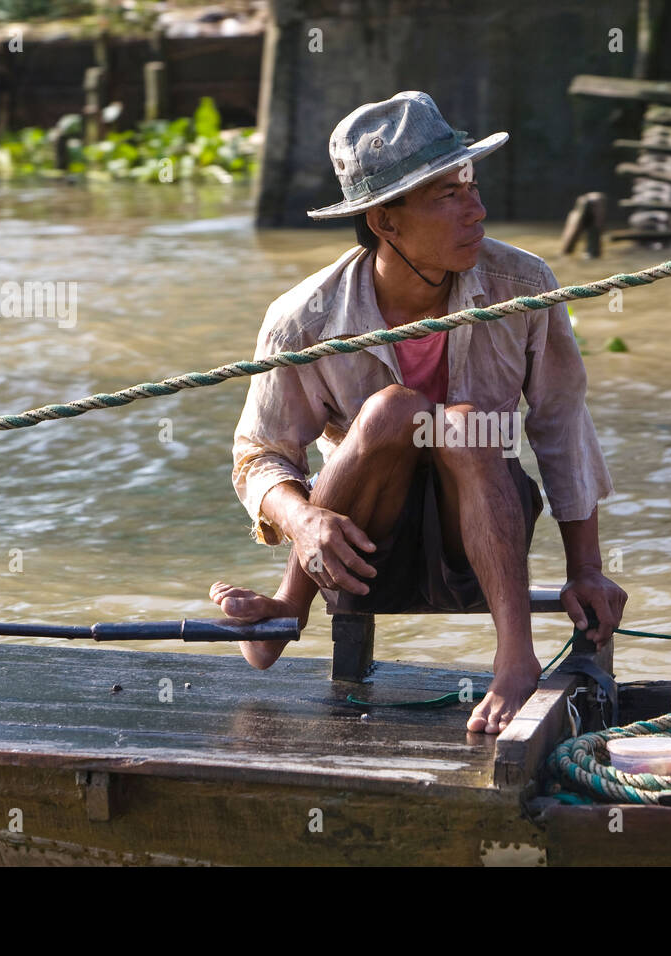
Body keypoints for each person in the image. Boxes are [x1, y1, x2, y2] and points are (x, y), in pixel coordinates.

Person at [210, 91, 625, 734]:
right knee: (392, 412)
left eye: (472, 186)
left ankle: (516, 660)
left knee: (461, 423)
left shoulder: (524, 286)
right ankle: (289, 612)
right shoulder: (306, 318)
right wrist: (305, 521)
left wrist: (586, 571)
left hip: (481, 546)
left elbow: (561, 427)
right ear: (386, 223)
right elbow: (258, 456)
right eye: (447, 197)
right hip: (362, 555)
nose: (477, 211)